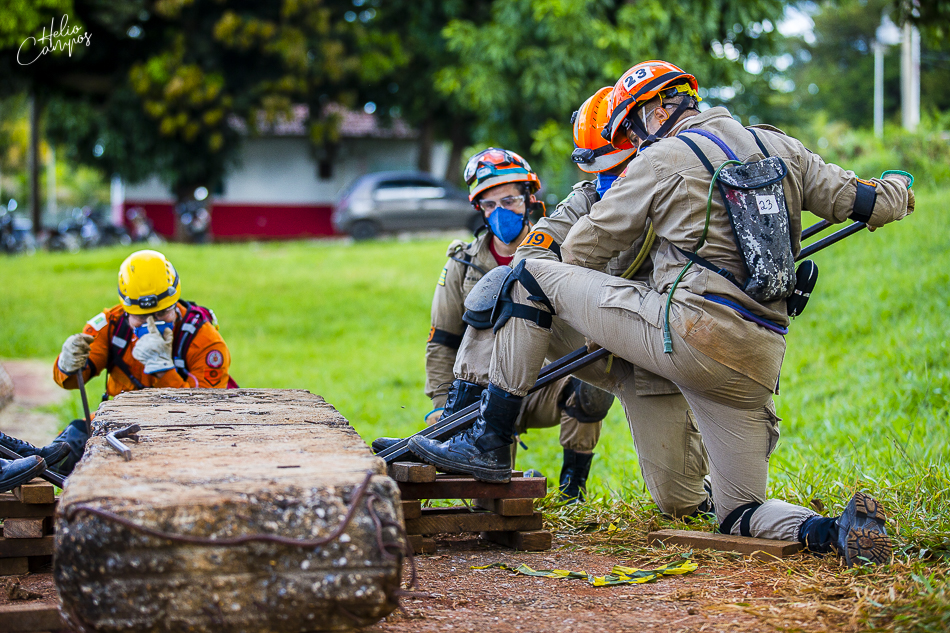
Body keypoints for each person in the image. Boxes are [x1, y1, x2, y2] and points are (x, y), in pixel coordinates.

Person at [409, 60, 914, 566]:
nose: (629, 146)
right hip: (754, 357)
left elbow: (576, 253)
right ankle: (830, 532)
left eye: (629, 131)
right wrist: (898, 183)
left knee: (527, 278)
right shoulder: (778, 146)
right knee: (717, 508)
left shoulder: (657, 161)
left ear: (653, 112)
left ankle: (490, 441)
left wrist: (576, 284)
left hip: (680, 338)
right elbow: (874, 202)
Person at [375, 148, 614, 501]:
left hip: (544, 382)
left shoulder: (562, 249)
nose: (501, 211)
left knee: (591, 391)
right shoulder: (462, 263)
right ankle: (475, 454)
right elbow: (442, 339)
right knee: (489, 503)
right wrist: (441, 409)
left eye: (509, 200)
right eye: (490, 204)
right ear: (480, 209)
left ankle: (572, 491)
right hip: (482, 389)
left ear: (529, 200)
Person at [1, 250, 234, 475]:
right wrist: (67, 363)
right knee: (68, 445)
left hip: (183, 430)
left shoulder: (205, 340)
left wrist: (164, 371)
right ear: (126, 309)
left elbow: (205, 412)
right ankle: (25, 467)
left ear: (175, 304)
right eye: (142, 317)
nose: (152, 325)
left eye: (162, 314)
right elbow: (70, 381)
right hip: (119, 422)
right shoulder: (111, 325)